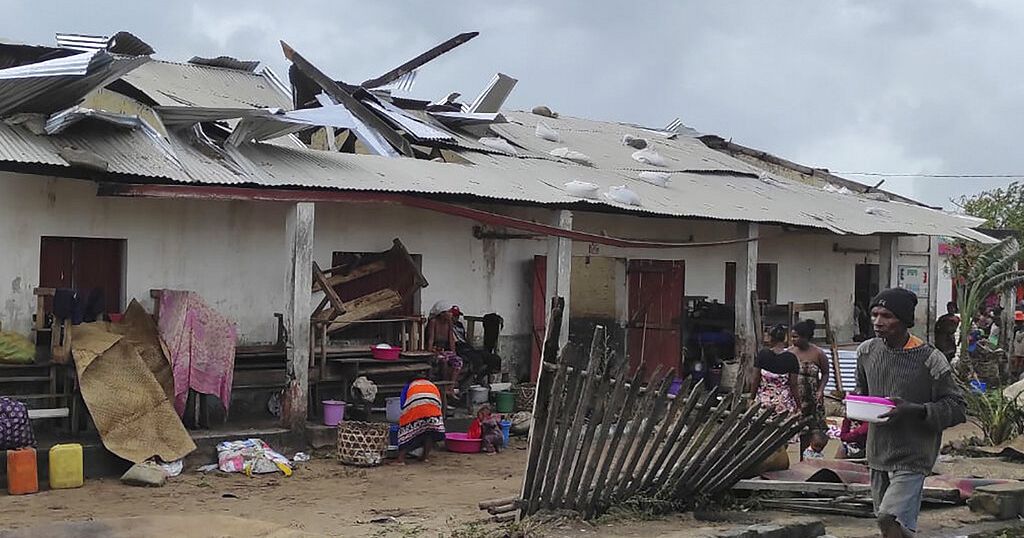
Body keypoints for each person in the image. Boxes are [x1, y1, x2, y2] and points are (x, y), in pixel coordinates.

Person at [856, 288, 966, 538]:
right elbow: (862, 391)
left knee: (888, 516)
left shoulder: (930, 359)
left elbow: (957, 407)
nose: (878, 322)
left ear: (905, 320)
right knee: (891, 527)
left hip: (913, 453)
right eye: (874, 314)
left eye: (886, 316)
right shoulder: (866, 352)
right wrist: (857, 407)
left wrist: (913, 409)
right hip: (878, 452)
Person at [789, 319, 829, 457]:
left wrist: (820, 390)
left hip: (813, 398)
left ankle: (813, 458)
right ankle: (801, 458)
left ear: (805, 337)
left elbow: (825, 373)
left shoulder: (818, 353)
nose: (793, 339)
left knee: (816, 430)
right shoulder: (790, 353)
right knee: (801, 430)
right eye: (792, 336)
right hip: (797, 397)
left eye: (796, 336)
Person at [394, 377, 446, 465]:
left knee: (405, 432)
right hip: (433, 411)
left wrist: (405, 418)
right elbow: (440, 401)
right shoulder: (431, 385)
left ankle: (400, 460)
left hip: (417, 408)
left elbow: (403, 404)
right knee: (429, 433)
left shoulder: (409, 386)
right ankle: (425, 457)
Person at [750, 324, 799, 415]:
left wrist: (751, 398)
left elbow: (755, 379)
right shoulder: (791, 358)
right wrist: (798, 404)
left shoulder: (762, 354)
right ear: (784, 339)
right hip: (783, 404)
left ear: (770, 338)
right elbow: (794, 384)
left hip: (763, 403)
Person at [426, 301, 462, 399]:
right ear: (442, 313)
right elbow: (431, 339)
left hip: (444, 350)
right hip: (435, 350)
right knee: (443, 361)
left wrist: (454, 353)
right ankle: (444, 386)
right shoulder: (434, 322)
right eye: (448, 312)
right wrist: (430, 351)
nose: (450, 314)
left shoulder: (449, 323)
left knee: (458, 362)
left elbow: (451, 339)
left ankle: (451, 387)